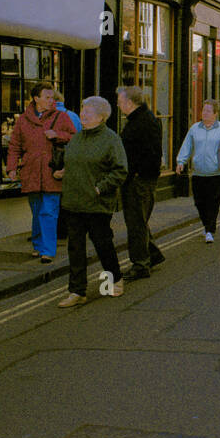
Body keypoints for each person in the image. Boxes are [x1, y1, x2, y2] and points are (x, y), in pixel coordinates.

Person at [55, 96, 128, 307]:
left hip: (97, 204)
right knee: (75, 249)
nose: (83, 116)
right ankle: (77, 291)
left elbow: (120, 170)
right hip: (73, 202)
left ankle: (115, 281)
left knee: (102, 244)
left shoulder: (111, 139)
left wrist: (100, 187)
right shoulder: (77, 138)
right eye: (82, 111)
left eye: (88, 113)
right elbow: (76, 163)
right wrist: (63, 172)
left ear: (101, 117)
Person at [7, 82, 75, 263]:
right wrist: (12, 168)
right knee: (37, 210)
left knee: (49, 211)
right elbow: (15, 146)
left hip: (53, 171)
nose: (51, 100)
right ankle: (38, 245)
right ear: (36, 98)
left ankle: (48, 250)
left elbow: (76, 139)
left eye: (52, 97)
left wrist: (58, 135)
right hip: (31, 172)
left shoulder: (61, 117)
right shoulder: (23, 120)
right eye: (47, 97)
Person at [116, 85, 167, 280]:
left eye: (120, 102)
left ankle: (140, 265)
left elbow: (148, 154)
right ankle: (152, 254)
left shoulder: (142, 122)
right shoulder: (140, 119)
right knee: (139, 220)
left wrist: (136, 174)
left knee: (136, 223)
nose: (119, 105)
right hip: (140, 178)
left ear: (130, 103)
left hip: (139, 180)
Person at [177, 99, 220, 243]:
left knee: (213, 202)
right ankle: (207, 224)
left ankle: (209, 230)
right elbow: (187, 146)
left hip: (217, 173)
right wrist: (181, 162)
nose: (204, 113)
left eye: (208, 111)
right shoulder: (195, 128)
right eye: (203, 110)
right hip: (198, 173)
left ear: (215, 114)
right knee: (199, 202)